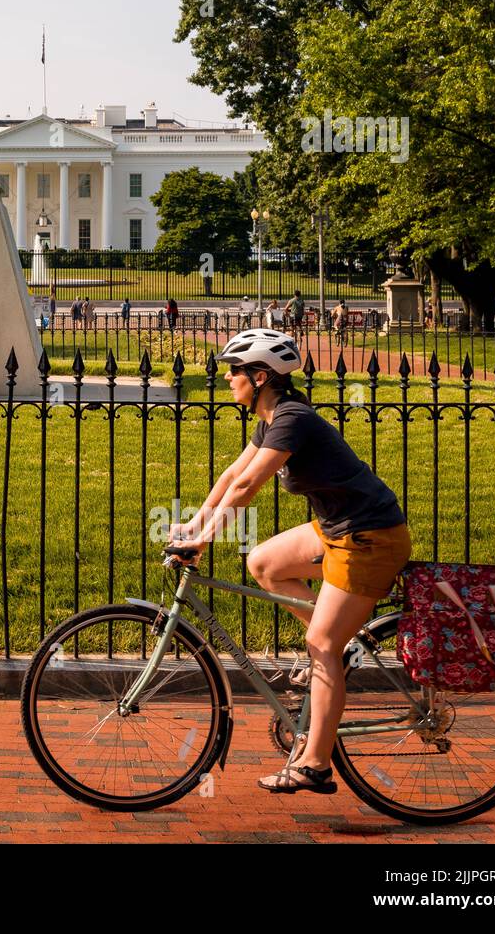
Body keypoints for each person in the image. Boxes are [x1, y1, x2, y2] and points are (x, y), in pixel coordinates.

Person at [168, 328, 412, 794]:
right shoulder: (272, 417)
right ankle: (336, 643)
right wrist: (192, 525)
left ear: (260, 376)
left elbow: (247, 489)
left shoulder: (293, 419)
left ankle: (316, 764)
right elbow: (231, 475)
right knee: (264, 563)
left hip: (371, 537)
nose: (226, 378)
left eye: (233, 370)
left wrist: (202, 543)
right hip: (339, 530)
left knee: (321, 644)